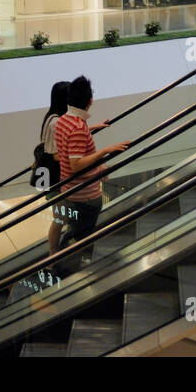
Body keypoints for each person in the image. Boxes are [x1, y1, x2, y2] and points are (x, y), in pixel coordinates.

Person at [53, 76, 127, 260]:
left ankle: (62, 263)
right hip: (84, 196)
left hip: (68, 191)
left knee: (73, 231)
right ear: (90, 101)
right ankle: (73, 271)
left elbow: (72, 153)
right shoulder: (78, 127)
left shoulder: (63, 120)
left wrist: (98, 165)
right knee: (82, 239)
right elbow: (76, 165)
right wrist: (105, 151)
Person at [39, 81, 70, 254]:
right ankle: (53, 253)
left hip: (58, 178)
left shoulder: (54, 117)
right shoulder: (55, 122)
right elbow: (55, 154)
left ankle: (56, 251)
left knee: (62, 217)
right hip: (56, 178)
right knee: (59, 218)